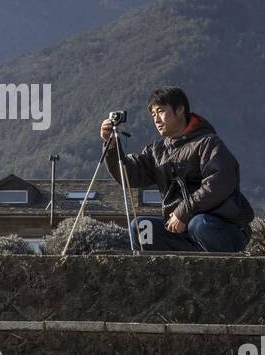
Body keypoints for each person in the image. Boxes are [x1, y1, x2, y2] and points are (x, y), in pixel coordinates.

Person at [99, 86, 254, 253]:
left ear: (180, 110)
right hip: (181, 231)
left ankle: (222, 271)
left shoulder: (208, 143)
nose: (156, 119)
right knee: (141, 228)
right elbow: (129, 175)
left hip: (221, 227)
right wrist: (112, 147)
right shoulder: (156, 151)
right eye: (153, 114)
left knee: (199, 224)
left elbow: (220, 182)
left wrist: (184, 211)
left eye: (160, 111)